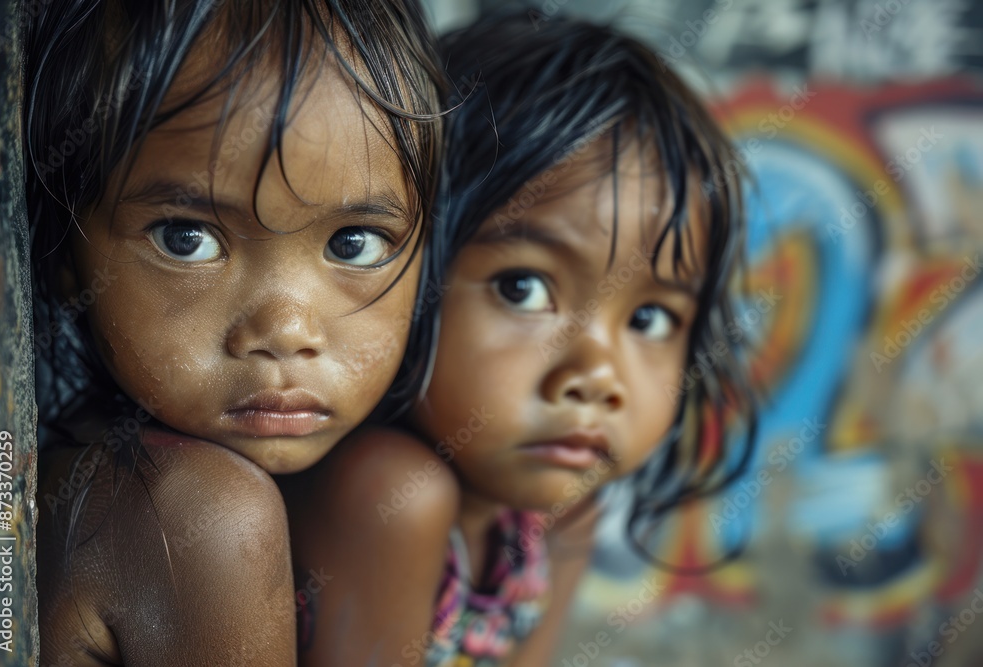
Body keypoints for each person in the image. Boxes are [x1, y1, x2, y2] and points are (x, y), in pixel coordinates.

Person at [283, 12, 757, 667]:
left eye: (650, 319)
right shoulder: (389, 493)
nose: (596, 375)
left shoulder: (559, 511)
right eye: (523, 288)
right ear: (410, 269)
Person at [25, 1, 443, 664]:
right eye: (187, 238)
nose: (286, 330)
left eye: (354, 242)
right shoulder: (201, 514)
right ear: (65, 255)